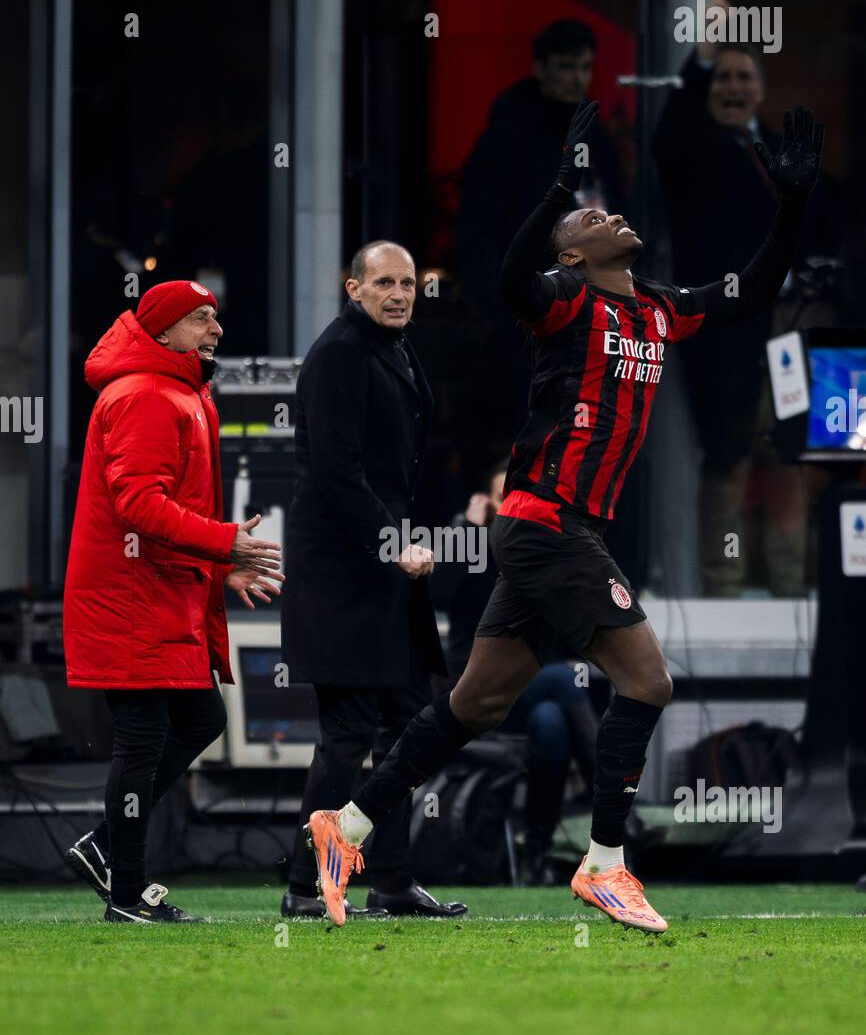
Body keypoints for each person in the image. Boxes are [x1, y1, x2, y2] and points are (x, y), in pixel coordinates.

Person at [303, 99, 824, 931]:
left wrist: (792, 200)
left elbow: (756, 288)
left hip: (557, 530)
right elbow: (509, 276)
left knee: (474, 705)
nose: (613, 212)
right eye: (595, 215)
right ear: (575, 253)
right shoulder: (563, 300)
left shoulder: (656, 305)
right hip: (549, 521)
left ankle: (347, 824)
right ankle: (606, 864)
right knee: (649, 680)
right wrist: (557, 189)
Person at [63, 281, 283, 923]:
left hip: (155, 594)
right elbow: (139, 505)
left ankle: (106, 851)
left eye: (216, 316)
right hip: (130, 599)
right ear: (162, 332)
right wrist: (224, 545)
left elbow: (161, 509)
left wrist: (218, 571)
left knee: (197, 720)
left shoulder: (172, 391)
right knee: (142, 737)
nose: (216, 329)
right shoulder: (145, 395)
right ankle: (126, 894)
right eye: (200, 319)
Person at [280, 241, 467, 920]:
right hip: (342, 574)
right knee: (348, 734)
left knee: (405, 728)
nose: (398, 292)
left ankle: (390, 880)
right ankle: (303, 887)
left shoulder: (396, 347)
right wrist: (393, 541)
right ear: (352, 287)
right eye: (383, 281)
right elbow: (335, 473)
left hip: (386, 570)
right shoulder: (339, 355)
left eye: (408, 282)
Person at [654, 15, 809, 595]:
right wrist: (697, 64)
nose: (734, 87)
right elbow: (670, 135)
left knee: (790, 459)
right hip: (727, 336)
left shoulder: (777, 147)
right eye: (722, 78)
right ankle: (723, 588)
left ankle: (793, 589)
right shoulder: (693, 150)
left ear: (762, 87)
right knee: (728, 460)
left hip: (788, 332)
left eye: (744, 77)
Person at [455, 19, 627, 446]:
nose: (578, 78)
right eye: (567, 66)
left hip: (592, 318)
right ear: (542, 67)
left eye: (586, 67)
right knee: (529, 440)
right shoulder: (506, 138)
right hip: (529, 321)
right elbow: (475, 235)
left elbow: (620, 214)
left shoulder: (596, 138)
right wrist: (508, 310)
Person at [433, 461, 599, 882]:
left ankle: (537, 852)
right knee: (563, 679)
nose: (513, 508)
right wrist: (467, 529)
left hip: (527, 696)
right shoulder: (474, 547)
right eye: (504, 499)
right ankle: (613, 808)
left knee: (551, 723)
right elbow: (438, 591)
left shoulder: (542, 553)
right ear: (490, 506)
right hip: (474, 689)